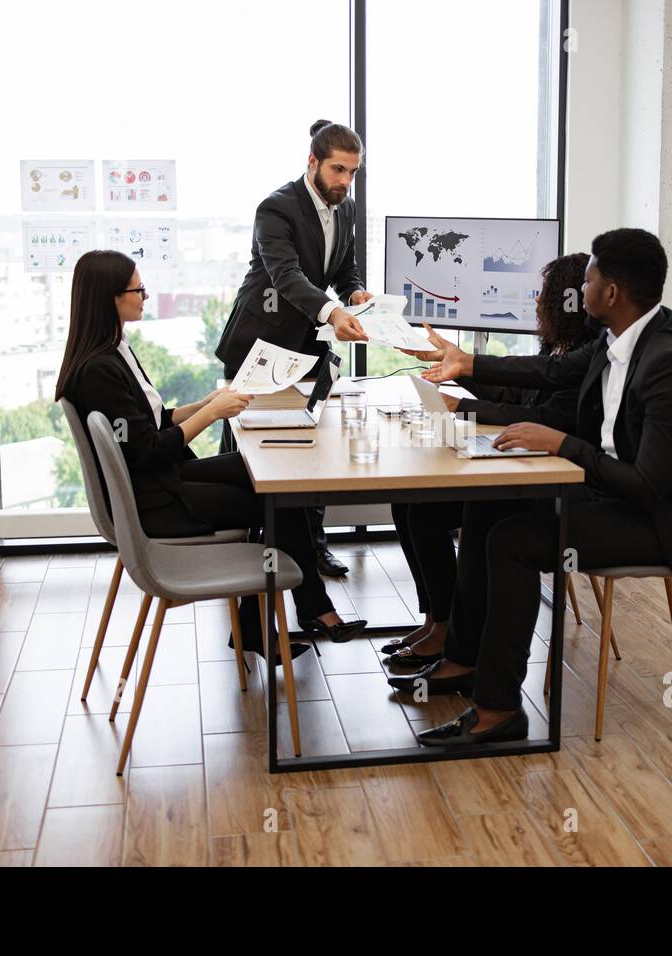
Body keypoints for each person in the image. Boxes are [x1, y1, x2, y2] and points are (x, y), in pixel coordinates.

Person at [389, 228, 672, 745]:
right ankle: (466, 659)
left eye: (588, 279)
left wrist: (561, 443)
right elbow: (549, 371)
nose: (579, 290)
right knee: (488, 508)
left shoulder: (671, 365)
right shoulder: (620, 338)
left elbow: (647, 486)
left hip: (667, 522)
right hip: (616, 492)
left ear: (611, 293)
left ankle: (498, 712)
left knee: (511, 542)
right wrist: (466, 363)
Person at [56, 250, 368, 660]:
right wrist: (210, 414)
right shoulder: (100, 369)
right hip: (157, 502)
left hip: (163, 481)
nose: (146, 296)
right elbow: (146, 450)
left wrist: (205, 401)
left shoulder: (112, 351)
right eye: (138, 289)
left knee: (266, 472)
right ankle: (306, 612)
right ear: (109, 298)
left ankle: (284, 620)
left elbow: (151, 421)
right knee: (278, 500)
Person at [382, 252, 595, 672]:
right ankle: (439, 622)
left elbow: (544, 418)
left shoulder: (584, 359)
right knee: (413, 503)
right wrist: (456, 367)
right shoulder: (559, 346)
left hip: (556, 485)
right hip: (527, 469)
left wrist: (461, 407)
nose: (535, 301)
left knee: (485, 512)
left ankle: (460, 645)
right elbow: (515, 395)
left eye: (544, 293)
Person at [215, 119, 376, 578]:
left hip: (308, 342)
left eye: (353, 172)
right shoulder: (276, 207)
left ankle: (313, 547)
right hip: (259, 341)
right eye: (338, 170)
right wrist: (331, 312)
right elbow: (286, 277)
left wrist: (356, 294)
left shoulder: (346, 208)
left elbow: (345, 269)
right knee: (246, 448)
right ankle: (247, 547)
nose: (345, 181)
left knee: (312, 441)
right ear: (313, 163)